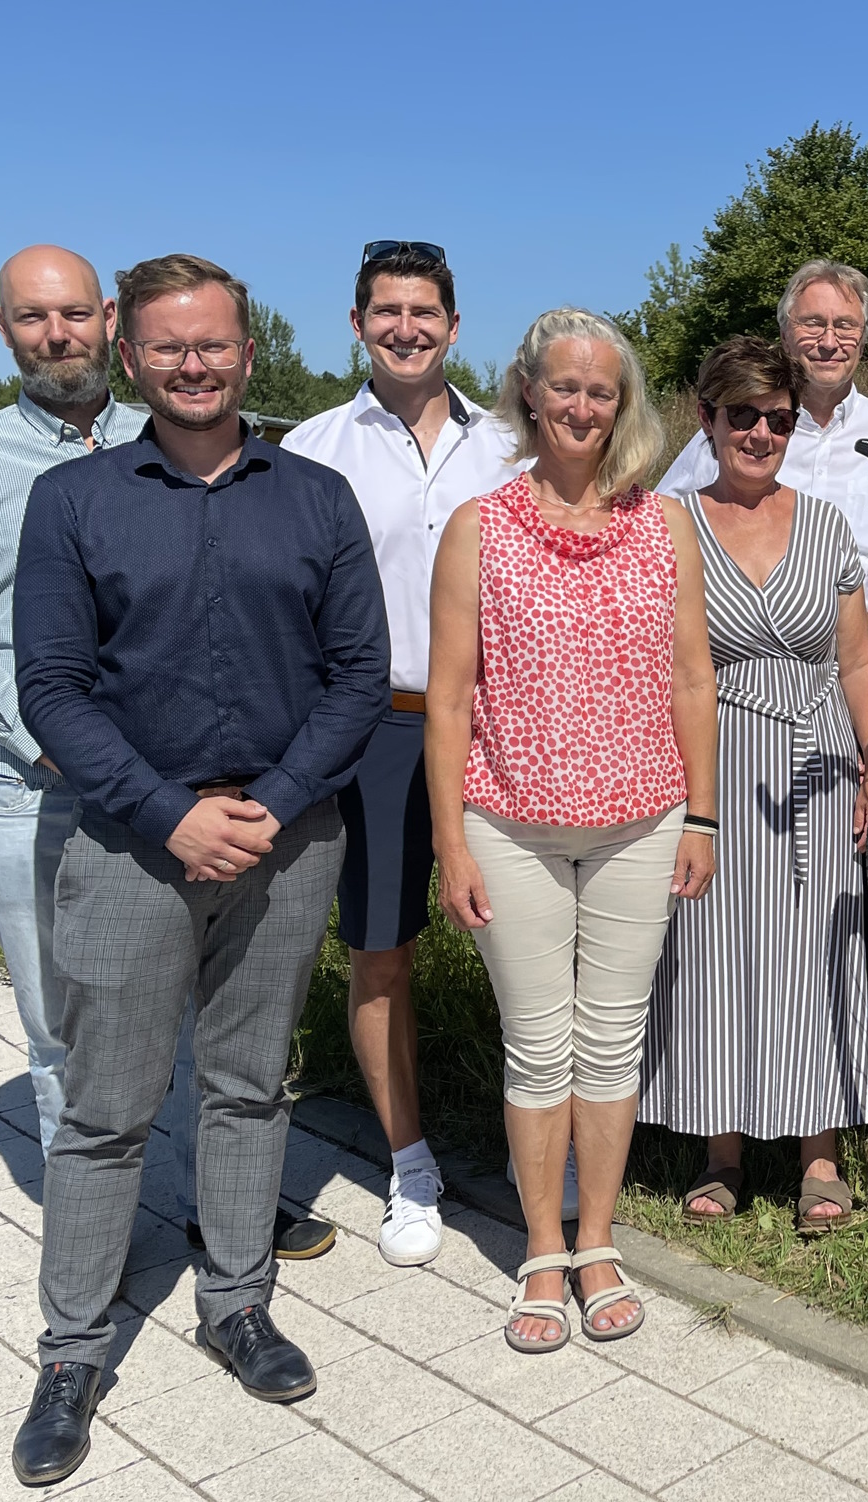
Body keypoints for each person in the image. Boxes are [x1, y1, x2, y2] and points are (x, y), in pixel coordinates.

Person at [7, 254, 390, 1485]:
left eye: (213, 343)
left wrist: (270, 803)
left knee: (245, 1083)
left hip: (285, 842)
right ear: (130, 355)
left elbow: (356, 676)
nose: (191, 363)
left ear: (248, 349)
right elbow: (52, 687)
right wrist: (172, 813)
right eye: (167, 346)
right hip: (131, 842)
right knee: (107, 1106)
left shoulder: (318, 499)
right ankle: (72, 1348)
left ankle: (235, 1301)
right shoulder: (74, 503)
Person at [425, 307, 719, 1354]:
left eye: (603, 390)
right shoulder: (478, 526)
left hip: (643, 821)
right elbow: (451, 700)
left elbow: (693, 677)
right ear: (528, 393)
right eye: (566, 386)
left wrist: (703, 812)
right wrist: (452, 841)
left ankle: (599, 1239)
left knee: (612, 1037)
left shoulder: (665, 523)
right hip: (510, 825)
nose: (584, 405)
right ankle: (541, 1246)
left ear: (623, 403)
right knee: (538, 1041)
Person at [279, 241, 527, 1266]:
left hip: (506, 719)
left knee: (526, 939)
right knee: (383, 947)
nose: (407, 327)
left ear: (456, 326)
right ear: (356, 323)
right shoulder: (310, 448)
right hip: (377, 720)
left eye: (426, 311)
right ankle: (409, 1158)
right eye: (388, 311)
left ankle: (537, 1143)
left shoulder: (511, 442)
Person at [639, 336, 868, 1235]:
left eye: (777, 420)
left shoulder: (825, 524)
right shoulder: (670, 525)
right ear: (706, 420)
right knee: (711, 953)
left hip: (817, 764)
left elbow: (857, 656)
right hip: (710, 761)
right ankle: (723, 1148)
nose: (759, 433)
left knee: (815, 945)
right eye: (740, 415)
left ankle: (819, 1150)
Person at [0, 246, 144, 1156]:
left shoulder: (160, 442)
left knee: (191, 1014)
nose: (57, 335)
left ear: (110, 318)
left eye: (75, 314)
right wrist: (56, 736)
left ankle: (219, 1200)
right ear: (4, 330)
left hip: (163, 782)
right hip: (28, 788)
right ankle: (91, 1231)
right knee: (58, 1025)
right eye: (34, 319)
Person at [656, 260, 868, 595]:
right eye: (812, 324)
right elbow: (658, 530)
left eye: (845, 326)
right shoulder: (735, 433)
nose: (829, 341)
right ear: (784, 335)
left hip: (866, 639)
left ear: (864, 339)